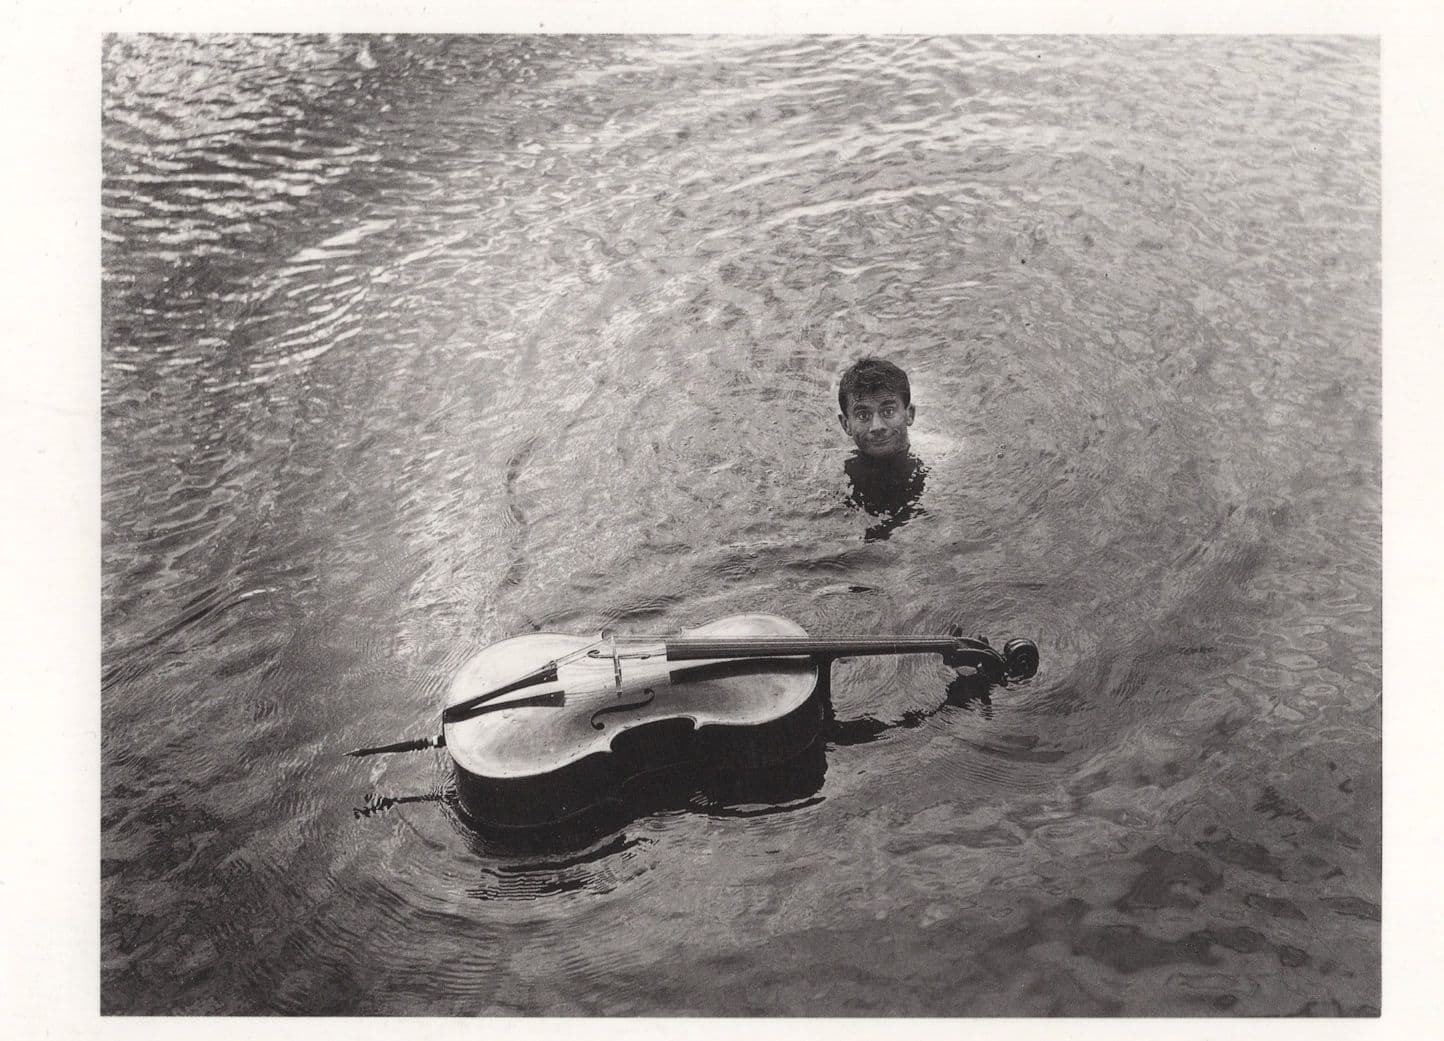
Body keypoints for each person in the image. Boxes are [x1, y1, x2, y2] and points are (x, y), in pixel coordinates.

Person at [836, 357, 927, 540]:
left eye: (888, 411)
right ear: (846, 425)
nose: (877, 426)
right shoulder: (837, 472)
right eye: (863, 415)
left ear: (909, 414)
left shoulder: (936, 464)